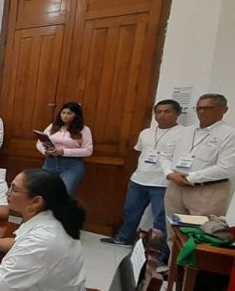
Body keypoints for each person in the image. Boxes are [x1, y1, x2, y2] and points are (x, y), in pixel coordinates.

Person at [101, 100, 184, 254]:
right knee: (130, 211)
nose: (162, 115)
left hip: (162, 183)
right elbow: (139, 152)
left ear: (177, 113)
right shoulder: (145, 133)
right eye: (158, 112)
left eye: (167, 112)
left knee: (160, 219)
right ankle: (123, 238)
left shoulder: (183, 134)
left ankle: (157, 251)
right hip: (139, 179)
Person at [161, 93, 235, 251]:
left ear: (224, 110)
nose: (202, 112)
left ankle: (191, 274)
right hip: (176, 187)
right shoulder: (185, 132)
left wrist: (191, 177)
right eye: (199, 108)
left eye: (208, 108)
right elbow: (165, 155)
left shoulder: (229, 134)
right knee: (173, 234)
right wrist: (169, 173)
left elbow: (227, 168)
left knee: (200, 237)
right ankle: (173, 272)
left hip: (207, 191)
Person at [35, 102, 93, 195]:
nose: (65, 116)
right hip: (50, 163)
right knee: (42, 191)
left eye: (69, 113)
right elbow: (39, 142)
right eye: (63, 113)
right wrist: (46, 151)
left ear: (76, 115)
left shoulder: (84, 129)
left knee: (64, 193)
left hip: (71, 165)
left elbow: (88, 150)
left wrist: (64, 152)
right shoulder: (52, 126)